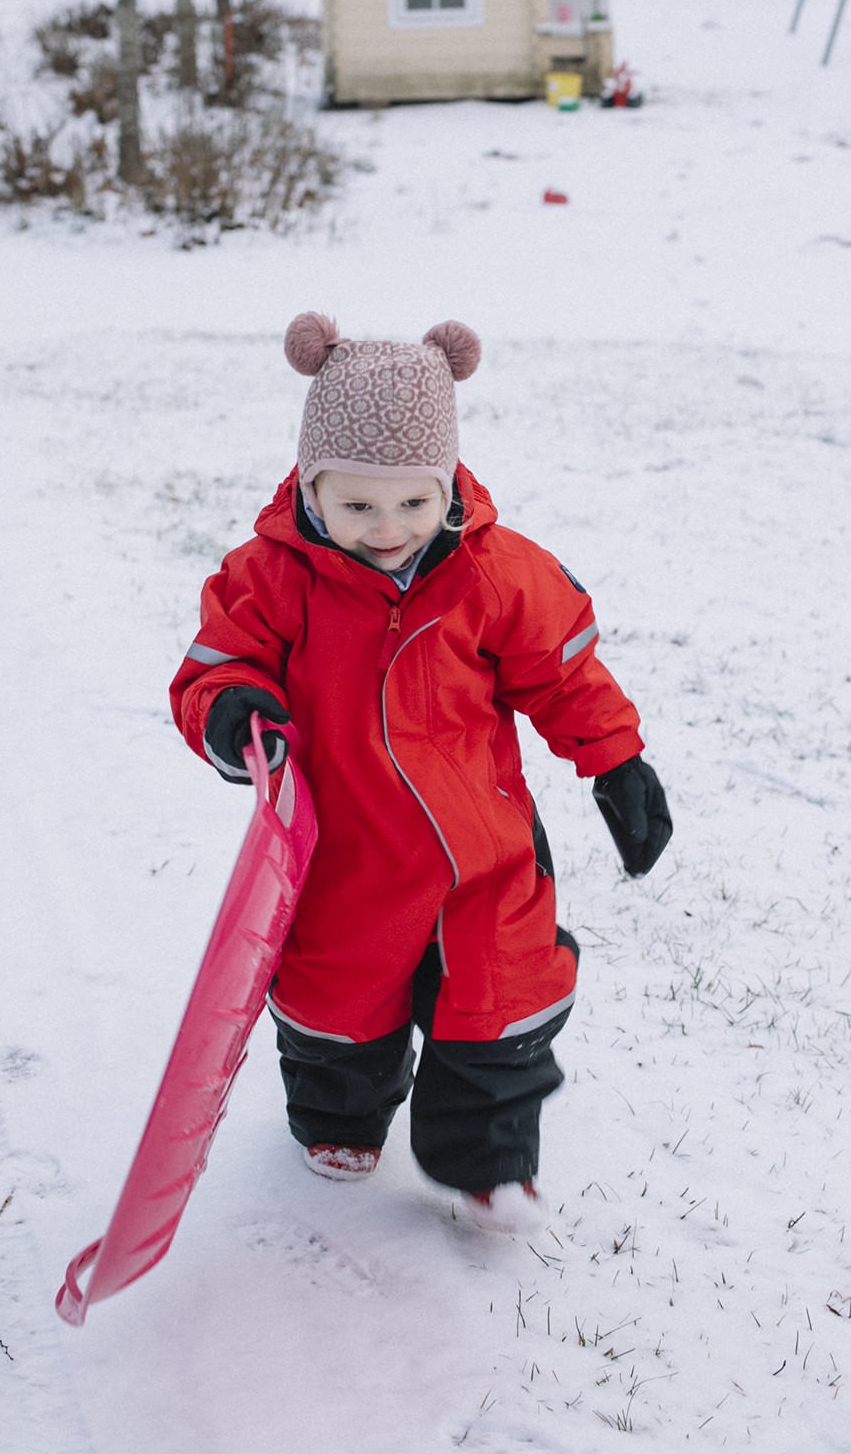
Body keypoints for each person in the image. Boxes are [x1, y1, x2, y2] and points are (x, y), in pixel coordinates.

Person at [170, 313, 671, 1232]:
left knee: (501, 1000)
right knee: (334, 1009)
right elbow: (216, 668)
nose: (388, 529)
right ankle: (341, 1118)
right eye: (357, 506)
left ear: (446, 484)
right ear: (310, 488)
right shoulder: (273, 576)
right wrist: (236, 708)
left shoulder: (496, 572)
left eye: (413, 502)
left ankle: (488, 1165)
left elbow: (563, 673)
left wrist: (617, 760)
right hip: (343, 854)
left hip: (483, 849)